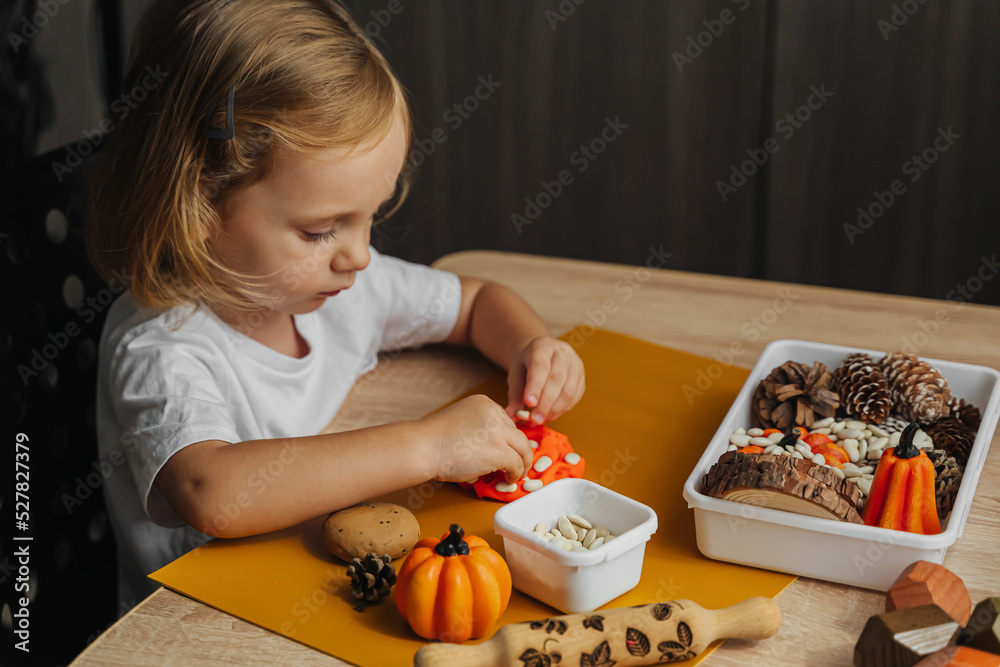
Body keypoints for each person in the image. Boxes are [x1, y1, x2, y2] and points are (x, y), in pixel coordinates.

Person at [86, 0, 585, 609]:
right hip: (201, 624)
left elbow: (478, 301)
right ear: (200, 204)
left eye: (369, 217)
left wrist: (533, 348)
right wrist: (429, 446)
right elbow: (213, 492)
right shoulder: (160, 345)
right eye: (322, 229)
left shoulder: (338, 284)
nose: (359, 256)